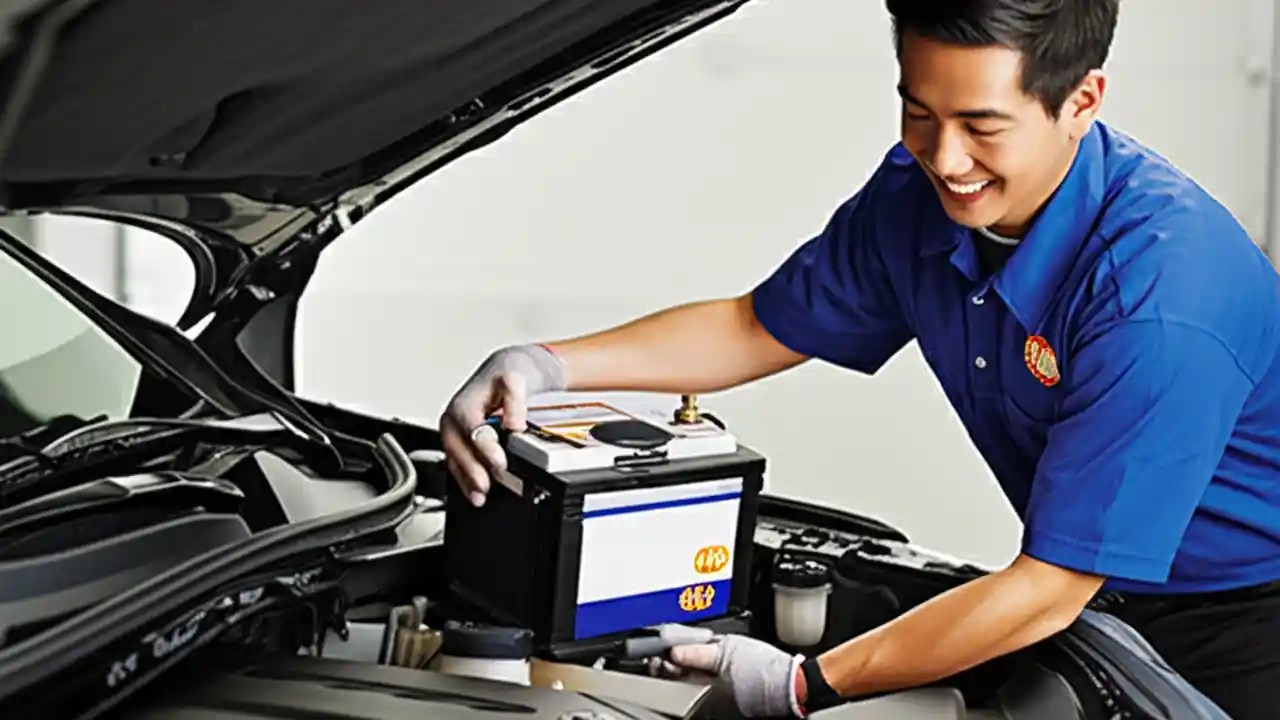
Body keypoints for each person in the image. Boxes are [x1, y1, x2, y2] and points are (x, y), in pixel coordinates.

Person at [439, 1, 1280, 717]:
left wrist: (801, 685)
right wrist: (545, 364)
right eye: (919, 111)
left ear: (1082, 99)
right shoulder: (919, 199)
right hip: (1091, 600)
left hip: (1246, 625)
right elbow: (756, 326)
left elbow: (1049, 587)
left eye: (983, 126)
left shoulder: (1161, 297)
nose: (945, 160)